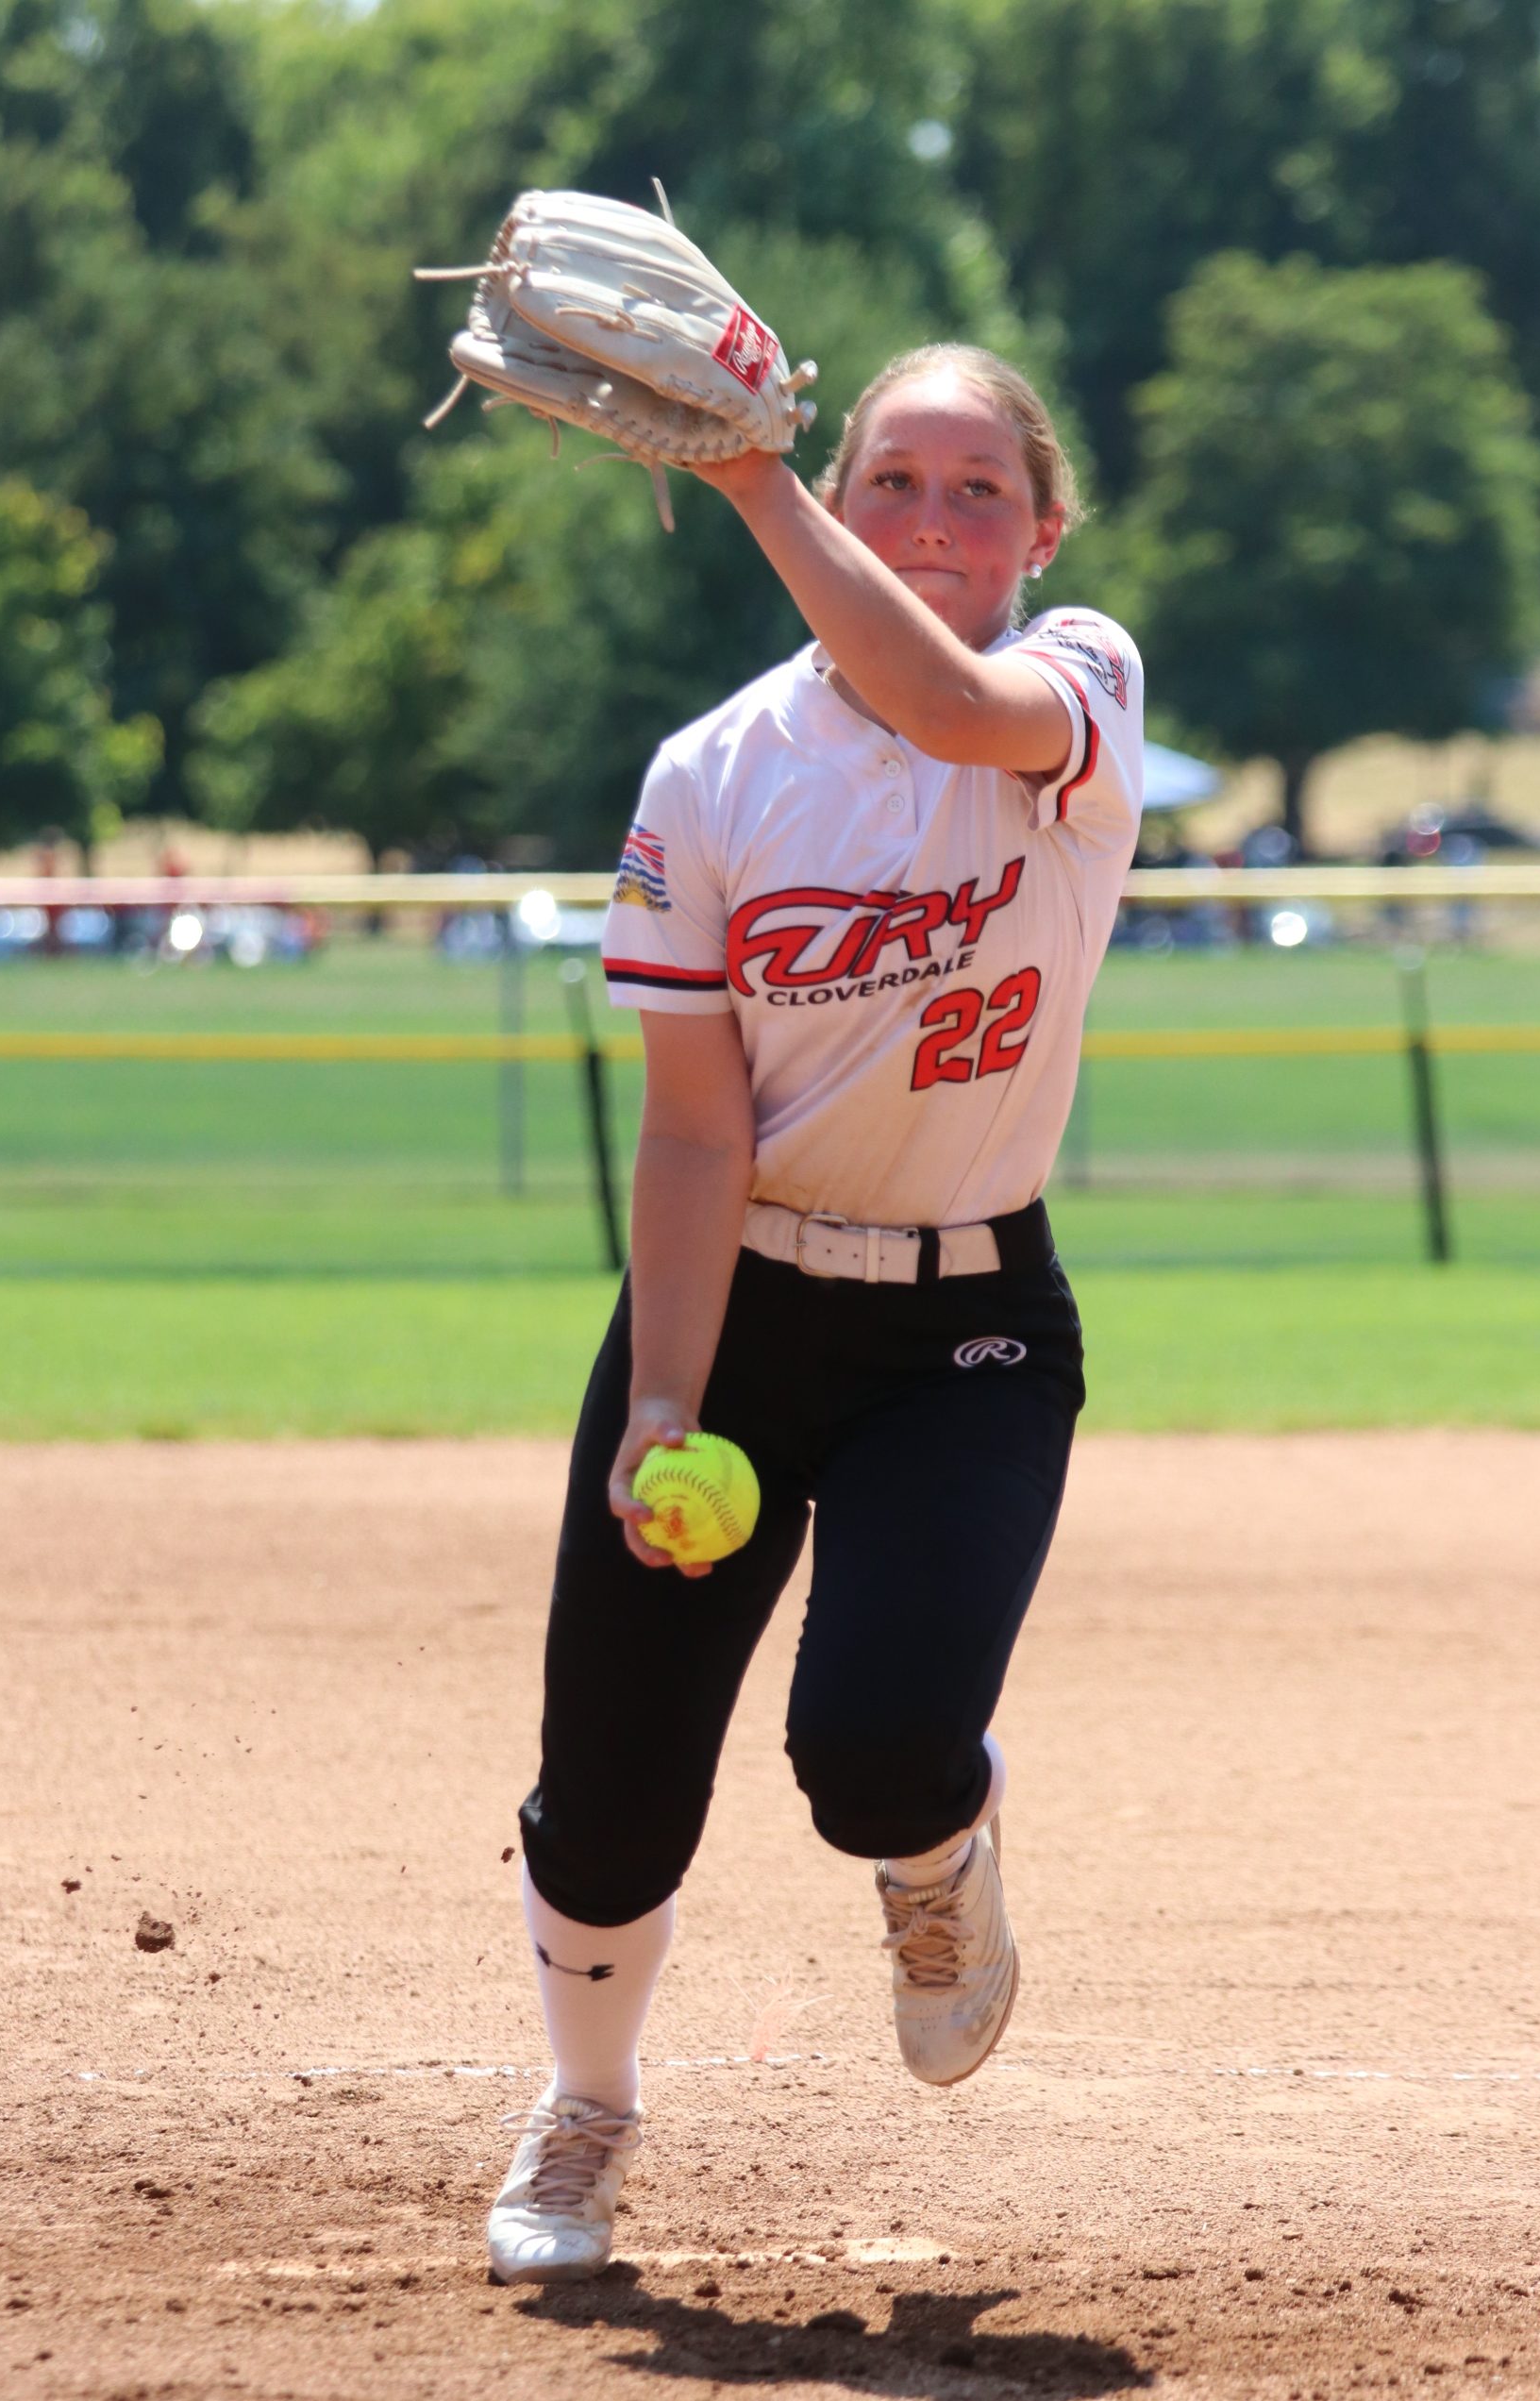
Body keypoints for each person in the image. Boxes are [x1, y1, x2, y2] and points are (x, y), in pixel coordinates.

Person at [488, 342, 1144, 2282]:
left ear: (1044, 530)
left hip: (969, 1334)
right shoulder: (714, 775)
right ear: (849, 504)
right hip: (741, 1310)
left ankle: (939, 1849)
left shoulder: (1075, 684)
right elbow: (697, 1132)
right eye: (891, 482)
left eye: (977, 490)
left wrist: (750, 474)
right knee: (609, 1796)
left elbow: (942, 704)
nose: (933, 521)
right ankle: (585, 2113)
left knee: (871, 1750)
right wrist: (660, 1401)